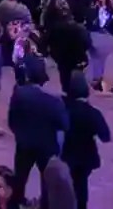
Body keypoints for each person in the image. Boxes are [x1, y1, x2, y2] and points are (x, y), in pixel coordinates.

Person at [7, 58, 69, 206]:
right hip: (46, 145)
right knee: (46, 178)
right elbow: (64, 124)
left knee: (20, 176)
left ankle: (16, 202)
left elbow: (12, 120)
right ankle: (45, 204)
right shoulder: (54, 101)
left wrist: (19, 134)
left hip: (24, 143)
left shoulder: (19, 95)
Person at [61, 74, 109, 209]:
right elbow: (105, 136)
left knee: (65, 184)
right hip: (86, 155)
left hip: (67, 151)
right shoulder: (93, 113)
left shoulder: (64, 108)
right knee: (81, 184)